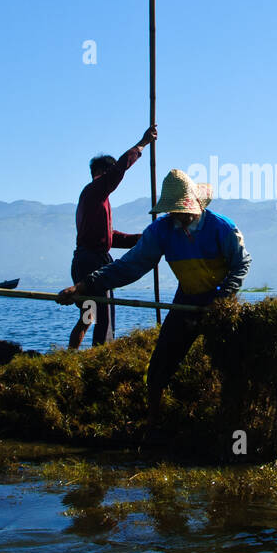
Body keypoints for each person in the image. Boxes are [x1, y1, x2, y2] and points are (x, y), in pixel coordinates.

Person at [55, 168, 250, 429]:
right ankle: (154, 423)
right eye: (172, 211)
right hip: (187, 298)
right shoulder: (162, 231)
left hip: (220, 303)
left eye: (180, 210)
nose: (176, 216)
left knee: (229, 363)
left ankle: (232, 422)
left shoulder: (221, 228)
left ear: (194, 205)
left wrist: (222, 298)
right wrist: (84, 285)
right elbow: (130, 266)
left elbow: (241, 264)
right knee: (160, 363)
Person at [70, 126, 157, 349]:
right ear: (100, 174)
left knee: (89, 317)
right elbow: (120, 168)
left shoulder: (95, 199)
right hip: (91, 264)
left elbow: (109, 237)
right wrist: (142, 143)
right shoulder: (95, 190)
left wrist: (144, 237)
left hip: (84, 261)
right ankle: (101, 359)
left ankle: (72, 355)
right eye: (104, 174)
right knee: (102, 317)